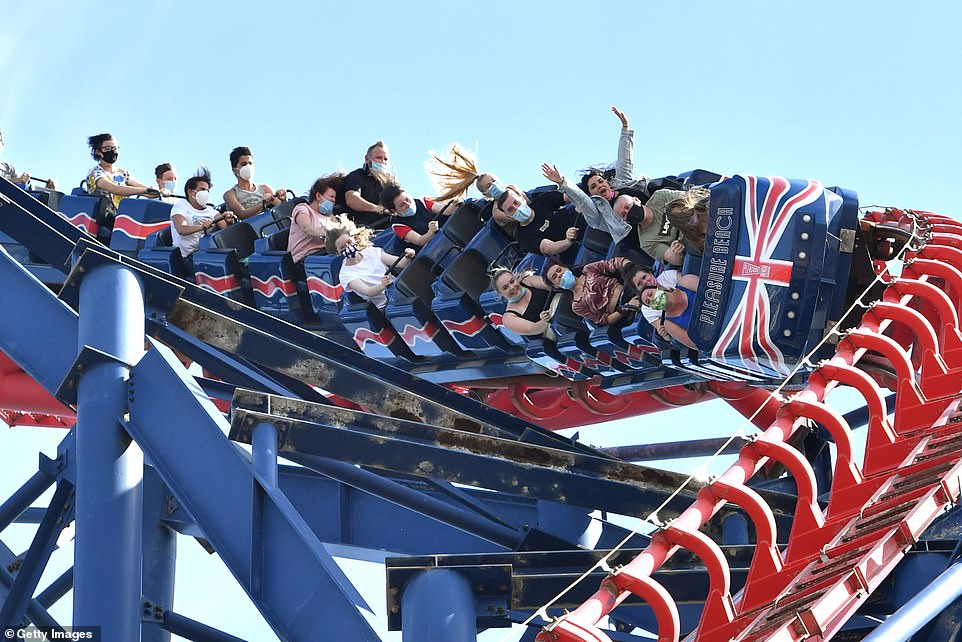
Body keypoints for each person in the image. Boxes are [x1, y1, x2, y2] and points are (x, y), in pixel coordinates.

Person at [540, 106, 647, 247]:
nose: (599, 186)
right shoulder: (598, 214)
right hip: (643, 239)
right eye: (593, 187)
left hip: (655, 216)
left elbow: (624, 160)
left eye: (601, 182)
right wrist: (562, 181)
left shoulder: (622, 183)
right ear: (590, 193)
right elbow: (582, 201)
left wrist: (625, 128)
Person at [325, 216, 414, 309]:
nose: (348, 247)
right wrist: (383, 285)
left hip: (401, 291)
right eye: (343, 247)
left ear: (354, 238)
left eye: (349, 242)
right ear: (337, 253)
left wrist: (408, 256)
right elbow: (369, 292)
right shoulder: (345, 275)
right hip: (386, 305)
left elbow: (402, 263)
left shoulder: (371, 252)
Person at [490, 186, 584, 265]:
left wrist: (562, 182)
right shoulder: (523, 238)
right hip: (577, 250)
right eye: (511, 209)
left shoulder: (541, 200)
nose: (516, 208)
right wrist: (568, 241)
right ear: (508, 216)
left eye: (516, 203)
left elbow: (568, 197)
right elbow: (549, 247)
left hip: (586, 223)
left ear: (522, 199)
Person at [543, 257, 640, 326]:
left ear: (566, 268)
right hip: (623, 311)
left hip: (631, 290)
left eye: (559, 270)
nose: (559, 275)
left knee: (651, 296)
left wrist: (633, 269)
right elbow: (605, 320)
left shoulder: (589, 270)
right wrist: (627, 307)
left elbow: (616, 262)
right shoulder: (577, 306)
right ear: (555, 286)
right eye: (554, 277)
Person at [84, 133, 159, 218]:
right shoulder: (95, 173)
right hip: (102, 220)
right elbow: (116, 189)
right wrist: (144, 191)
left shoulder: (122, 172)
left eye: (115, 148)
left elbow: (147, 191)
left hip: (124, 219)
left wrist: (157, 191)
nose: (113, 151)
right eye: (108, 148)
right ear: (98, 152)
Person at [169, 167, 232, 264]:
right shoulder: (181, 205)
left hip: (204, 254)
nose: (205, 193)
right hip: (186, 258)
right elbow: (181, 229)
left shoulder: (211, 211)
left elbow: (225, 228)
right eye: (202, 189)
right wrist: (202, 227)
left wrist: (228, 219)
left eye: (207, 191)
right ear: (190, 192)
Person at [611, 190, 688, 265]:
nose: (628, 212)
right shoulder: (646, 242)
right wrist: (676, 252)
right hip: (689, 242)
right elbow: (675, 260)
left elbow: (687, 198)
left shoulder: (659, 197)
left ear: (636, 200)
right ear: (626, 221)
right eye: (624, 214)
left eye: (627, 206)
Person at [379, 181, 458, 249]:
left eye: (407, 199)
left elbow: (446, 211)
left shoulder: (422, 202)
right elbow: (420, 241)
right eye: (402, 205)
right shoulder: (398, 226)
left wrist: (455, 204)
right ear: (394, 210)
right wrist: (431, 232)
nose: (408, 204)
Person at [288, 173, 343, 263]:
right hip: (304, 260)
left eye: (334, 198)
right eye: (331, 197)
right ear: (318, 196)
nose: (333, 200)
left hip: (325, 255)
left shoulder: (329, 216)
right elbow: (307, 229)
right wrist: (328, 234)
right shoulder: (303, 208)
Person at [223, 146, 287, 220]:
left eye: (250, 163)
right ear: (235, 170)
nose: (248, 166)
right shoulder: (230, 194)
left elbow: (281, 207)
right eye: (243, 164)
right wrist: (263, 204)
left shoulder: (265, 188)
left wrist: (282, 198)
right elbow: (242, 213)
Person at [638, 273, 700, 349]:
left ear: (660, 288)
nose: (652, 299)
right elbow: (697, 345)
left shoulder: (686, 282)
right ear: (654, 308)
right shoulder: (669, 325)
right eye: (648, 302)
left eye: (650, 294)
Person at [338, 140, 393, 227]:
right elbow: (352, 200)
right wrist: (377, 208)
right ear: (367, 159)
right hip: (359, 230)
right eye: (378, 158)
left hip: (387, 230)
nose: (382, 162)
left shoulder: (390, 183)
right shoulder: (356, 176)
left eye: (385, 159)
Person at [624, 262, 680, 340]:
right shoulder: (646, 310)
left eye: (644, 277)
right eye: (639, 284)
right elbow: (667, 338)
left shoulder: (667, 276)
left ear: (650, 273)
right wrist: (664, 333)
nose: (645, 282)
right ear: (637, 290)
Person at [490, 267, 553, 336]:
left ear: (516, 278)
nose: (512, 287)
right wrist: (545, 319)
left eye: (512, 281)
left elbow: (553, 285)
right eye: (505, 288)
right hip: (551, 330)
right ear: (500, 293)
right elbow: (533, 329)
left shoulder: (529, 282)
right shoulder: (509, 318)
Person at [665, 187, 710, 253]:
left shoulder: (713, 201)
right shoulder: (703, 244)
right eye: (692, 219)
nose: (699, 215)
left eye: (692, 211)